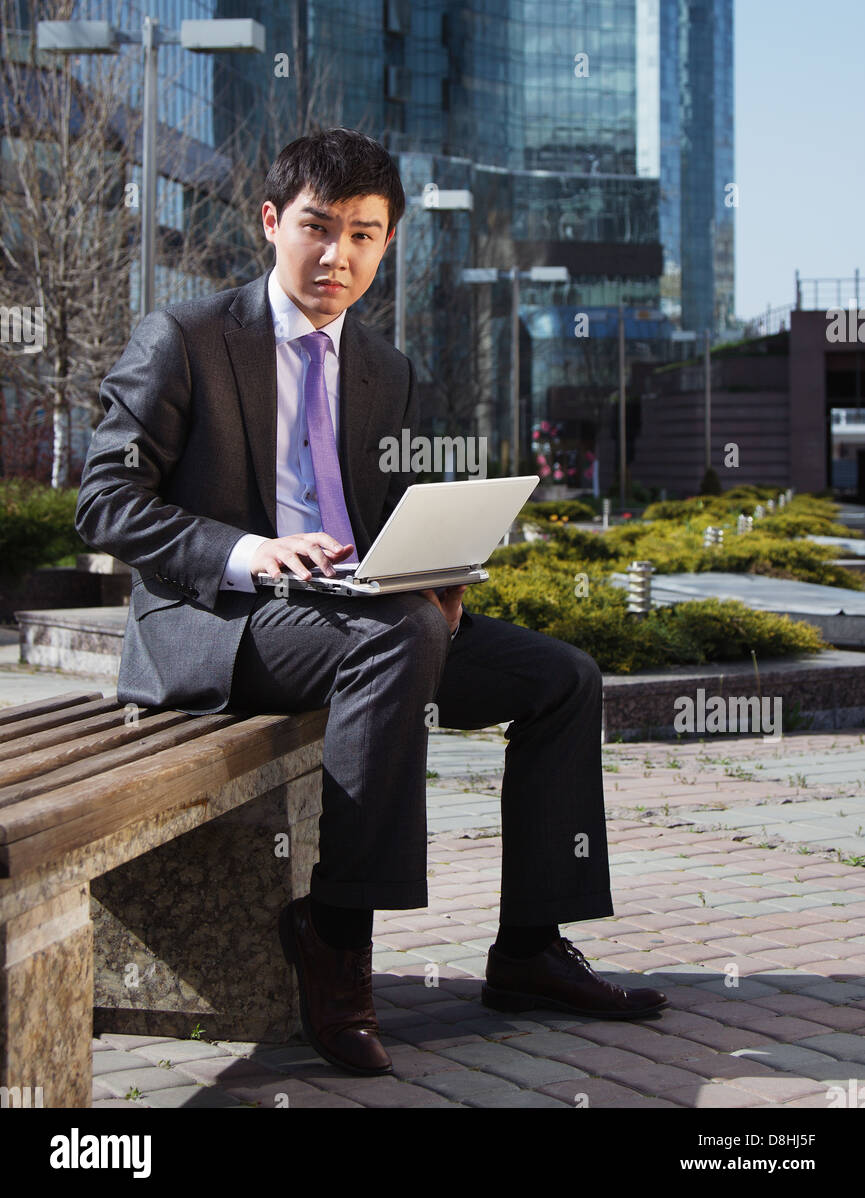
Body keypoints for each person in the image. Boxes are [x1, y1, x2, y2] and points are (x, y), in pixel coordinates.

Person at [75, 127, 667, 1077]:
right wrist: (249, 551)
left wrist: (434, 570)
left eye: (363, 234)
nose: (336, 255)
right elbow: (103, 503)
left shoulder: (385, 369)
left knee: (561, 675)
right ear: (272, 223)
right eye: (317, 227)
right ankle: (337, 934)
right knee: (396, 639)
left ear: (386, 243)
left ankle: (526, 949)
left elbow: (378, 515)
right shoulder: (185, 339)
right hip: (219, 627)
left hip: (358, 617)